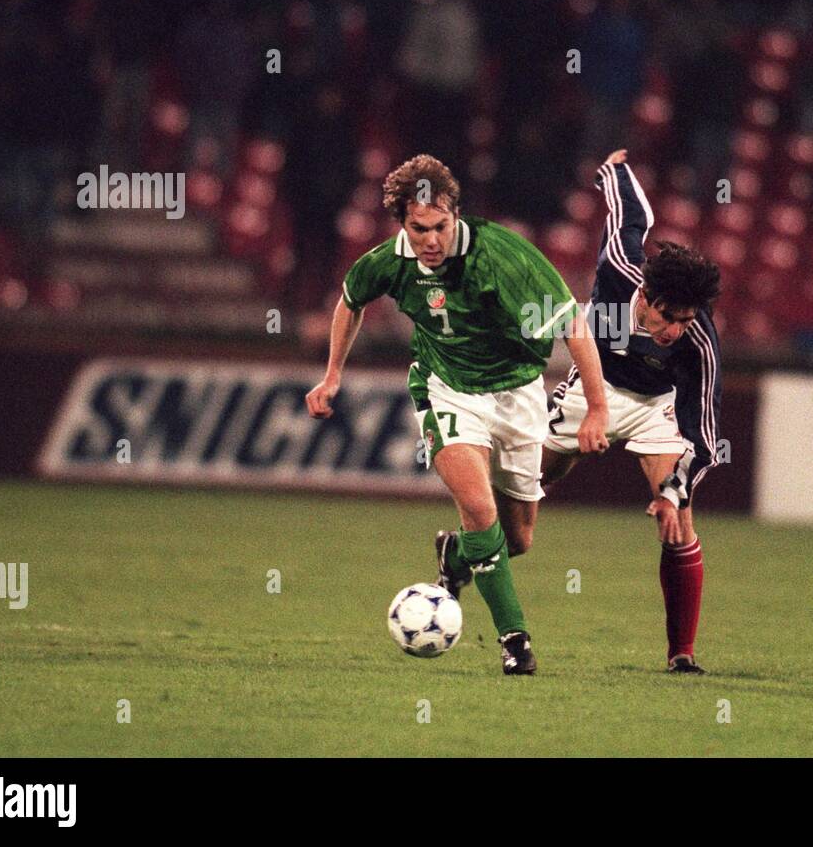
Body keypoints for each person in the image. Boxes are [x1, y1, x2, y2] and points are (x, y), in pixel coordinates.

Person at [306, 154, 610, 675]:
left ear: (456, 215)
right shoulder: (389, 260)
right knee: (478, 509)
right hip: (446, 391)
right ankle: (515, 642)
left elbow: (574, 327)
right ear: (402, 223)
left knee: (517, 541)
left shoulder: (504, 257)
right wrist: (333, 373)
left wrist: (598, 408)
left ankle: (457, 557)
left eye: (440, 226)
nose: (430, 240)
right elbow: (350, 301)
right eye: (418, 228)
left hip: (517, 394)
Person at [541, 150, 722, 674]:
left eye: (685, 321)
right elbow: (630, 213)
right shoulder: (620, 270)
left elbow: (703, 436)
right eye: (668, 317)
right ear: (646, 294)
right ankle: (458, 558)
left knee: (679, 520)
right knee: (522, 497)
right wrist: (613, 169)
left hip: (653, 406)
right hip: (593, 384)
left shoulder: (698, 344)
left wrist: (672, 491)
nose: (673, 331)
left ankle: (681, 655)